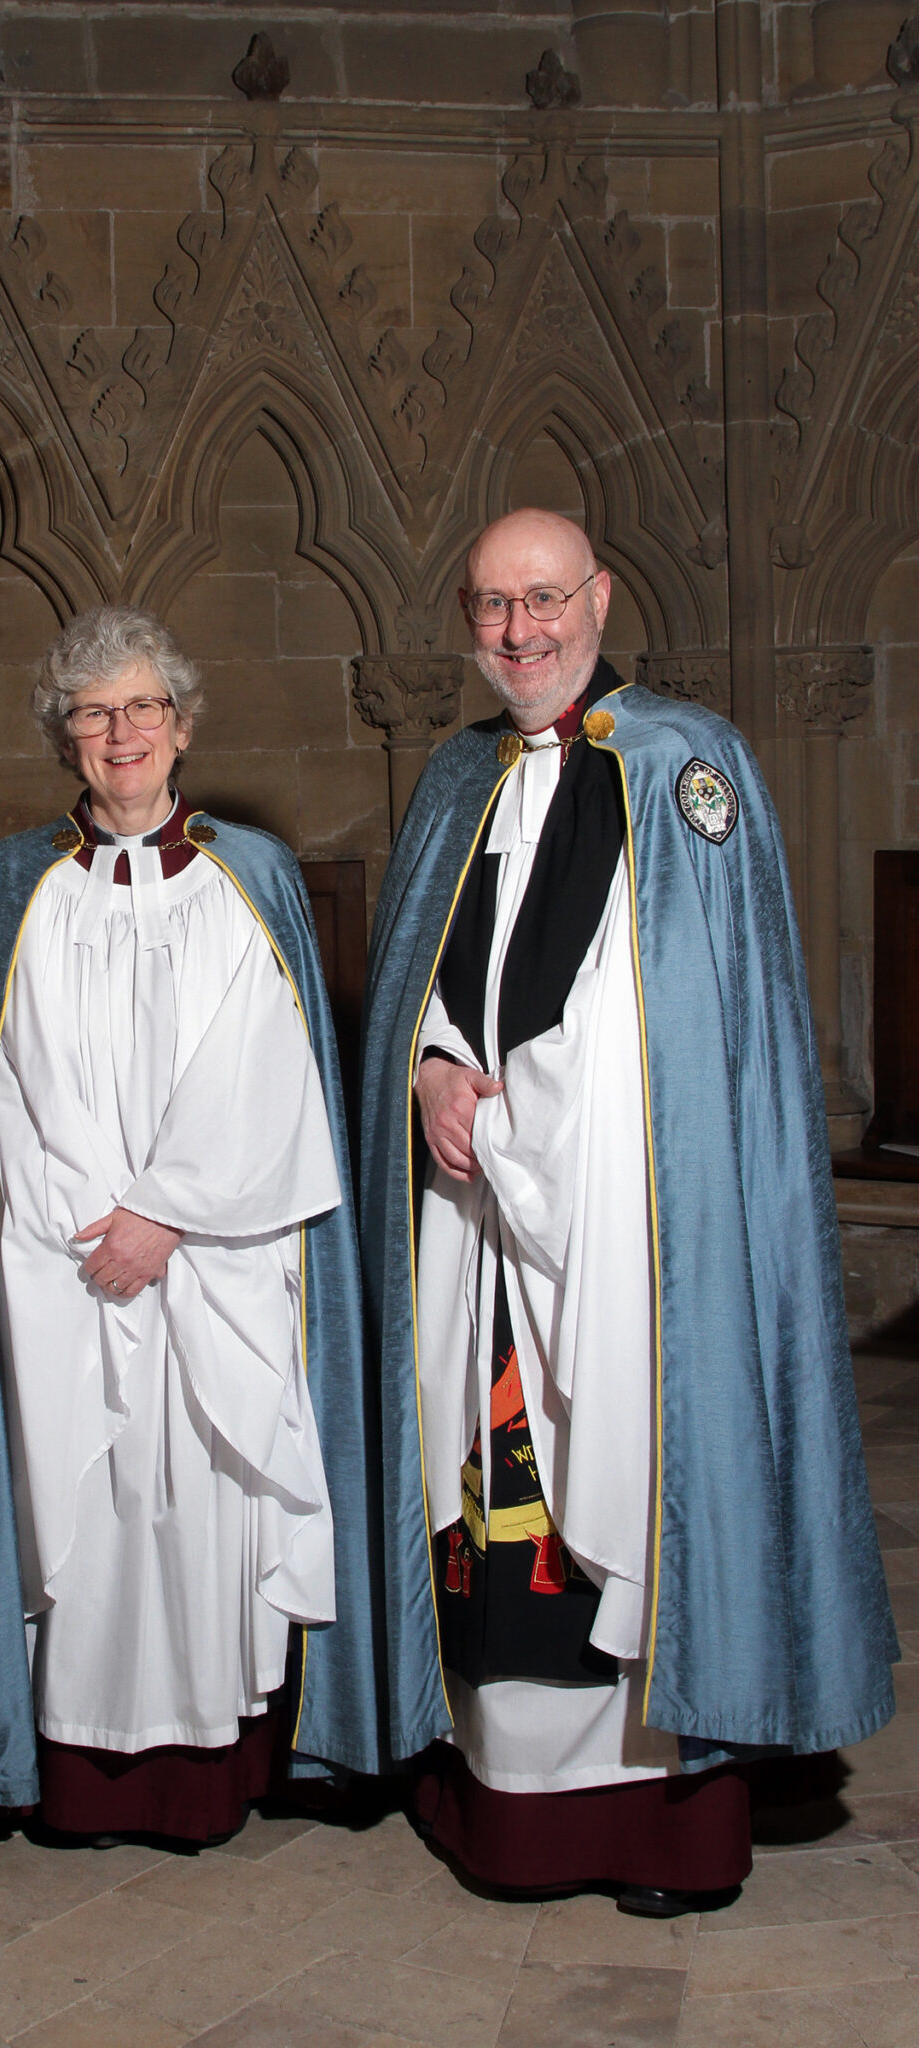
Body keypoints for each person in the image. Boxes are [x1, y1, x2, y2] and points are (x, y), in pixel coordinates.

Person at [359, 508, 897, 1913]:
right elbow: (418, 992)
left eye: (545, 600)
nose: (520, 632)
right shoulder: (452, 780)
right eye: (490, 606)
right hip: (479, 1230)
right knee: (495, 1513)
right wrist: (425, 1078)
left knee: (642, 1492)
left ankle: (661, 1829)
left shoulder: (685, 765)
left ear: (600, 598)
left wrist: (520, 1116)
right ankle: (506, 1808)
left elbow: (686, 1035)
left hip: (629, 1228)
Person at [0, 605, 381, 1841]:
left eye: (144, 706)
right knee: (87, 1515)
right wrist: (92, 1217)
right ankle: (81, 1773)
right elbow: (2, 1088)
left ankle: (216, 1765)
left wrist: (165, 1215)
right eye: (94, 712)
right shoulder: (13, 882)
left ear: (184, 724)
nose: (122, 732)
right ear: (64, 736)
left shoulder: (251, 875)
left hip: (218, 1259)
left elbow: (269, 1068)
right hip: (64, 1261)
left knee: (205, 1491)